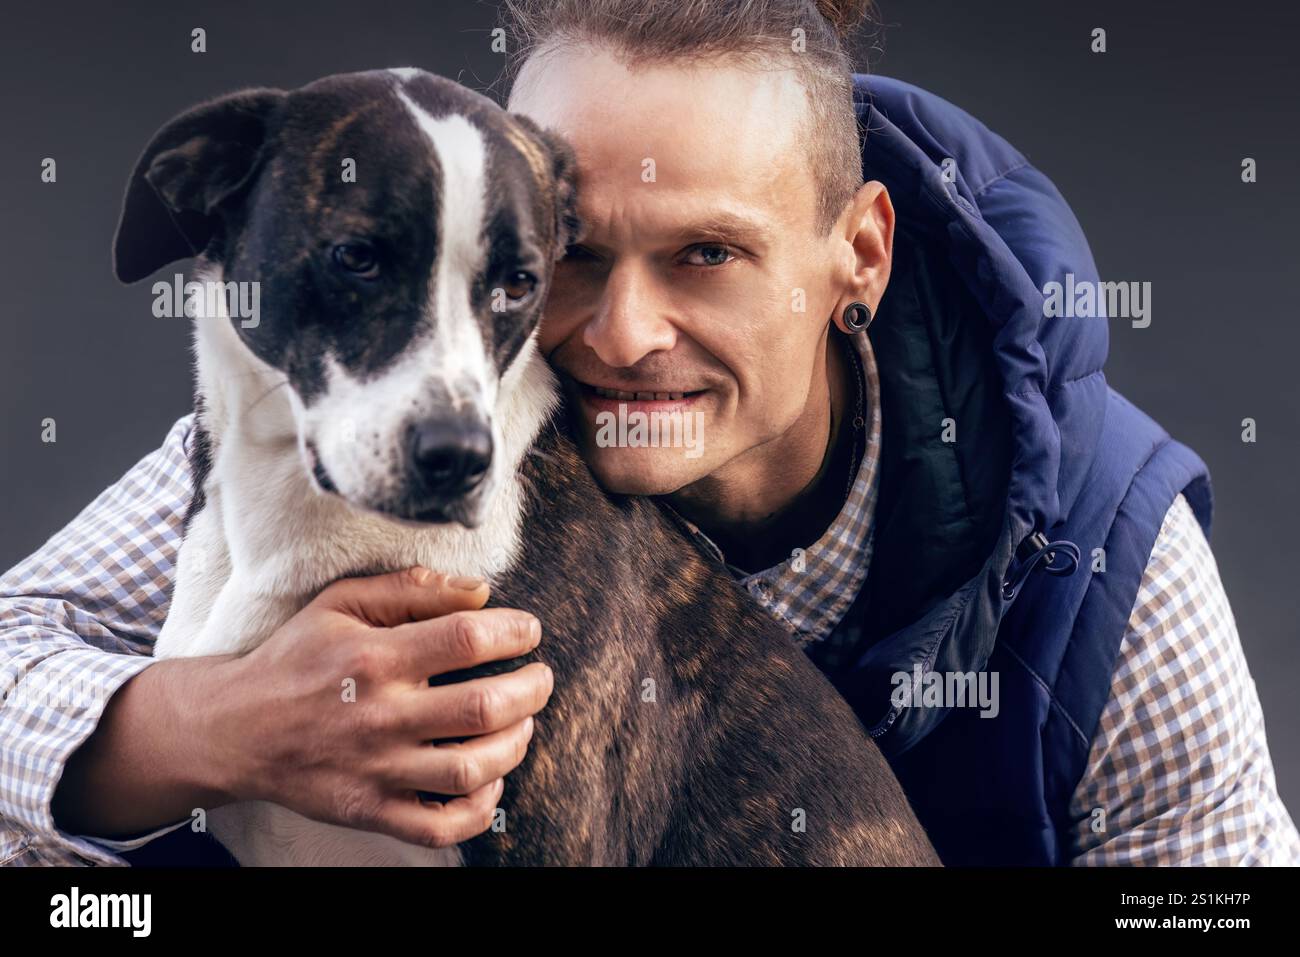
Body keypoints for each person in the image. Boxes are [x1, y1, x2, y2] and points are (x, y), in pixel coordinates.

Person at [2, 0, 1296, 866]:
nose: (620, 335)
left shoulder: (1097, 554)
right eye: (569, 259)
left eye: (707, 255)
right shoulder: (363, 446)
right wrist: (197, 728)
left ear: (860, 256)